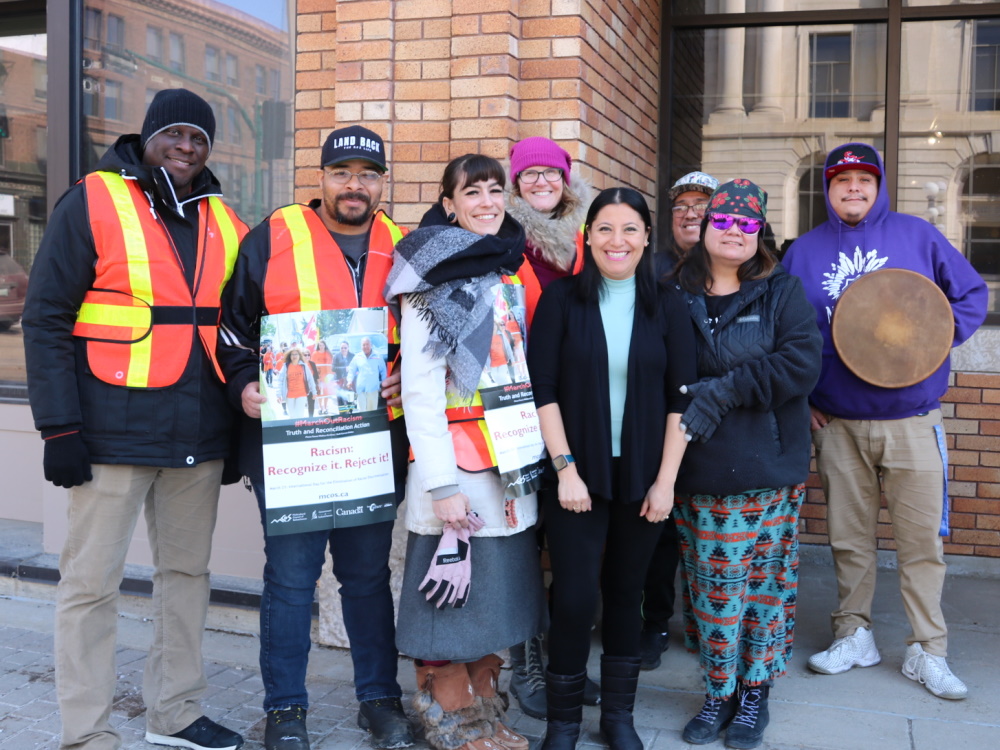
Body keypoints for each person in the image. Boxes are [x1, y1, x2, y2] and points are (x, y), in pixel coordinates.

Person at [22, 88, 248, 750]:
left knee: (186, 579)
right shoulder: (93, 199)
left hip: (197, 438)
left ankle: (174, 712)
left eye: (199, 138)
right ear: (146, 137)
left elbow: (238, 332)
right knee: (90, 586)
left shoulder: (226, 222)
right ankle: (86, 733)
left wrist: (235, 430)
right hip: (108, 436)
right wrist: (57, 428)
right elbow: (46, 318)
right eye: (173, 133)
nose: (185, 146)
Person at [217, 125, 412, 750]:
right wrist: (245, 382)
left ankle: (379, 700)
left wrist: (409, 376)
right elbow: (231, 327)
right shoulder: (274, 235)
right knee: (291, 581)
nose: (354, 185)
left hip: (370, 446)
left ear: (383, 182)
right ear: (321, 178)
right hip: (291, 449)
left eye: (368, 174)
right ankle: (285, 712)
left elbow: (429, 338)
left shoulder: (405, 246)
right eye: (342, 172)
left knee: (365, 578)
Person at [783, 143, 988, 701]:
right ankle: (855, 635)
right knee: (850, 540)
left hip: (913, 419)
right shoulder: (802, 252)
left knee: (922, 543)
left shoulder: (917, 236)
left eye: (863, 179)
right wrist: (802, 399)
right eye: (841, 179)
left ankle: (929, 650)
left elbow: (970, 293)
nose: (853, 188)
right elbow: (782, 335)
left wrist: (930, 342)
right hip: (838, 423)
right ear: (826, 189)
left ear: (878, 186)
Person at [384, 153, 546, 750]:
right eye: (471, 192)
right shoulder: (430, 274)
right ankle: (448, 715)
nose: (486, 201)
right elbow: (422, 393)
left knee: (493, 596)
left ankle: (483, 710)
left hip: (507, 457)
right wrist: (442, 486)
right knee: (449, 602)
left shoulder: (508, 269)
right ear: (448, 203)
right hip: (455, 466)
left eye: (494, 190)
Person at [527, 187, 696, 750]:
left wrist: (667, 481)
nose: (616, 240)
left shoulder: (668, 305)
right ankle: (563, 724)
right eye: (604, 228)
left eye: (629, 229)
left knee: (627, 593)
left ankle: (618, 719)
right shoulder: (561, 302)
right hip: (576, 474)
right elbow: (542, 391)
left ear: (647, 237)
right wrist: (566, 468)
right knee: (573, 597)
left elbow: (682, 399)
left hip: (646, 476)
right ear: (587, 235)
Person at [668, 178, 821, 750]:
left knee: (764, 588)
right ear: (704, 229)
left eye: (747, 223)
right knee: (713, 590)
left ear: (761, 233)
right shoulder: (672, 292)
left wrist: (722, 390)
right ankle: (717, 692)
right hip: (700, 469)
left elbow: (801, 365)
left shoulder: (782, 292)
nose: (734, 232)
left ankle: (754, 691)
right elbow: (661, 369)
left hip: (769, 468)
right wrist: (699, 394)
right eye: (723, 221)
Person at [503, 136, 602, 718]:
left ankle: (565, 661)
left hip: (578, 408)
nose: (542, 181)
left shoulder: (591, 237)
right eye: (530, 173)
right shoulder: (503, 237)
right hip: (517, 408)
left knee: (570, 548)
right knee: (523, 544)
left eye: (552, 172)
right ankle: (527, 668)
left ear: (567, 179)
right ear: (516, 183)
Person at [638, 169, 720, 673]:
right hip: (664, 413)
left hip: (720, 417)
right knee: (660, 527)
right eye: (681, 205)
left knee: (709, 526)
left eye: (702, 204)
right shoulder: (652, 268)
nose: (691, 213)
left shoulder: (739, 265)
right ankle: (653, 623)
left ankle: (704, 621)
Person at [348, 336, 387, 412]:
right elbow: (351, 370)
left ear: (371, 345)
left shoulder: (378, 356)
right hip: (361, 389)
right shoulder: (357, 357)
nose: (365, 346)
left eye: (367, 344)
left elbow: (383, 371)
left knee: (372, 411)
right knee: (362, 411)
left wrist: (384, 384)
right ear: (361, 346)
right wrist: (349, 380)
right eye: (363, 345)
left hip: (373, 388)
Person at [277, 348, 316, 419]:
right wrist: (278, 394)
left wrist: (314, 392)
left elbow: (311, 379)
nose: (294, 356)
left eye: (296, 354)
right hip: (289, 395)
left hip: (301, 393)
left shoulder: (304, 366)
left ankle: (299, 429)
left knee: (300, 415)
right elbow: (280, 380)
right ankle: (293, 429)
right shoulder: (286, 366)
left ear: (299, 356)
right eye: (292, 354)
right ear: (290, 356)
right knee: (292, 416)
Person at [311, 339, 334, 415]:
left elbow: (331, 365)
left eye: (322, 345)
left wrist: (331, 375)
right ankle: (320, 407)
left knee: (326, 391)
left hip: (327, 377)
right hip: (319, 377)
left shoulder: (328, 354)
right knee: (319, 392)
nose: (321, 347)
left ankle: (325, 407)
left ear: (325, 345)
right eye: (320, 345)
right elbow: (312, 365)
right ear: (318, 346)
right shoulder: (315, 354)